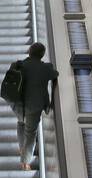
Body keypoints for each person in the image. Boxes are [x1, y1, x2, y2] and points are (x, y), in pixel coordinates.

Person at [13, 42, 58, 170]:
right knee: (31, 133)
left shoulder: (20, 65)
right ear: (42, 55)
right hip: (34, 106)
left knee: (21, 123)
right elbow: (56, 74)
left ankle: (22, 148)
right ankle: (25, 162)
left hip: (18, 104)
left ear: (29, 52)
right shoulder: (45, 68)